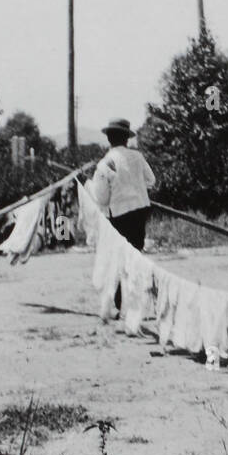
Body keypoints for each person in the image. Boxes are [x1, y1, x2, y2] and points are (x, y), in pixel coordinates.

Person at [89, 117, 156, 312]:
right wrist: (136, 187)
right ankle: (137, 302)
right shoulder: (138, 157)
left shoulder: (105, 163)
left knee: (118, 259)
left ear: (109, 139)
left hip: (119, 216)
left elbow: (101, 199)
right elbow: (151, 180)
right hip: (141, 211)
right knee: (135, 254)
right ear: (127, 139)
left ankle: (120, 304)